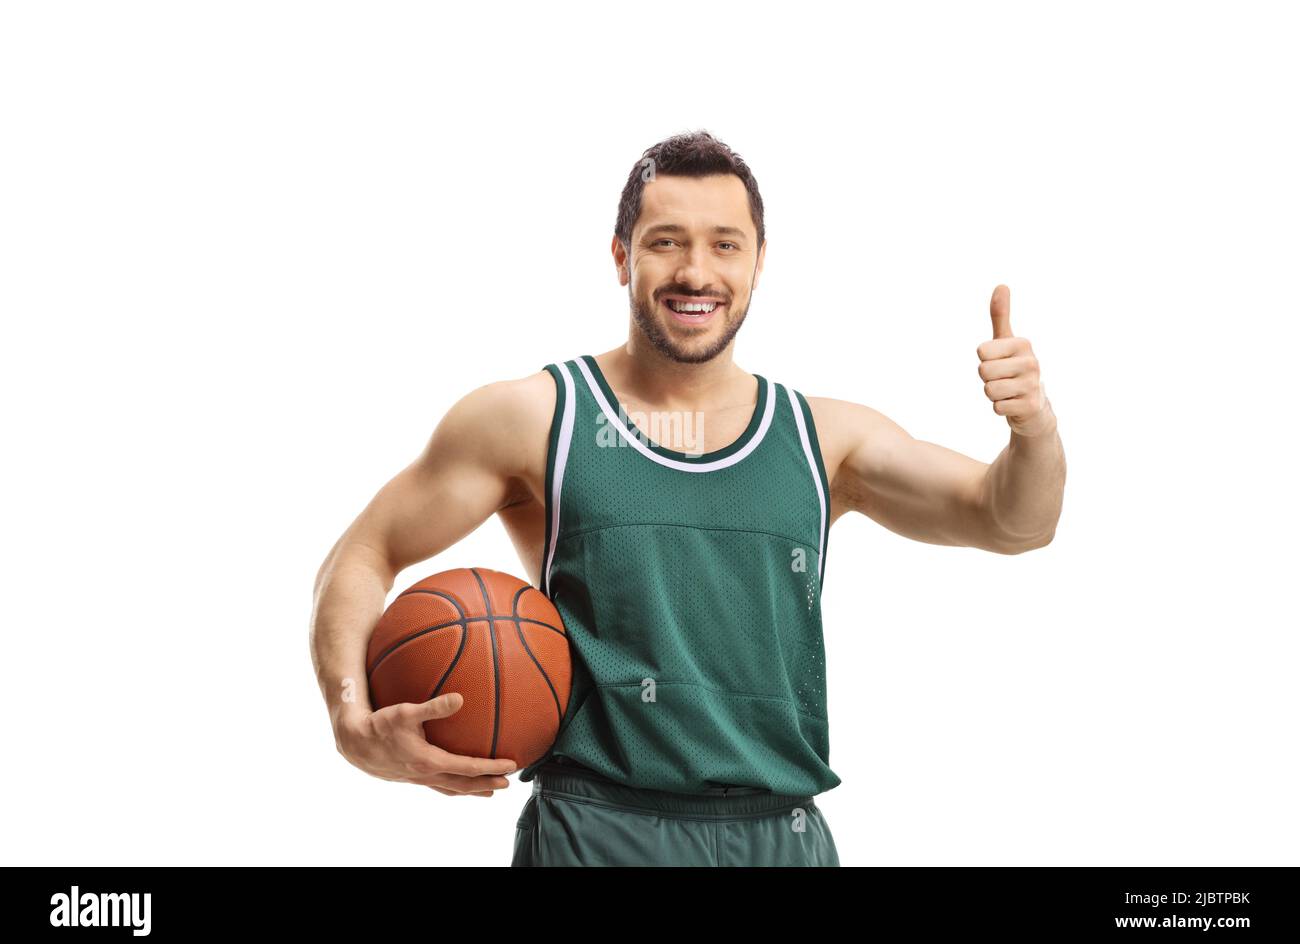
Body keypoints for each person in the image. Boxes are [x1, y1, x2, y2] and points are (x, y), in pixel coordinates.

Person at [309, 129, 1067, 866]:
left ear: (759, 262)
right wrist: (349, 713)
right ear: (621, 256)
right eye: (667, 240)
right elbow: (364, 553)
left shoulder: (825, 438)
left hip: (782, 835)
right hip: (597, 830)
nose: (696, 272)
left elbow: (1009, 521)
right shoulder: (535, 418)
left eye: (725, 244)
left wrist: (1033, 429)